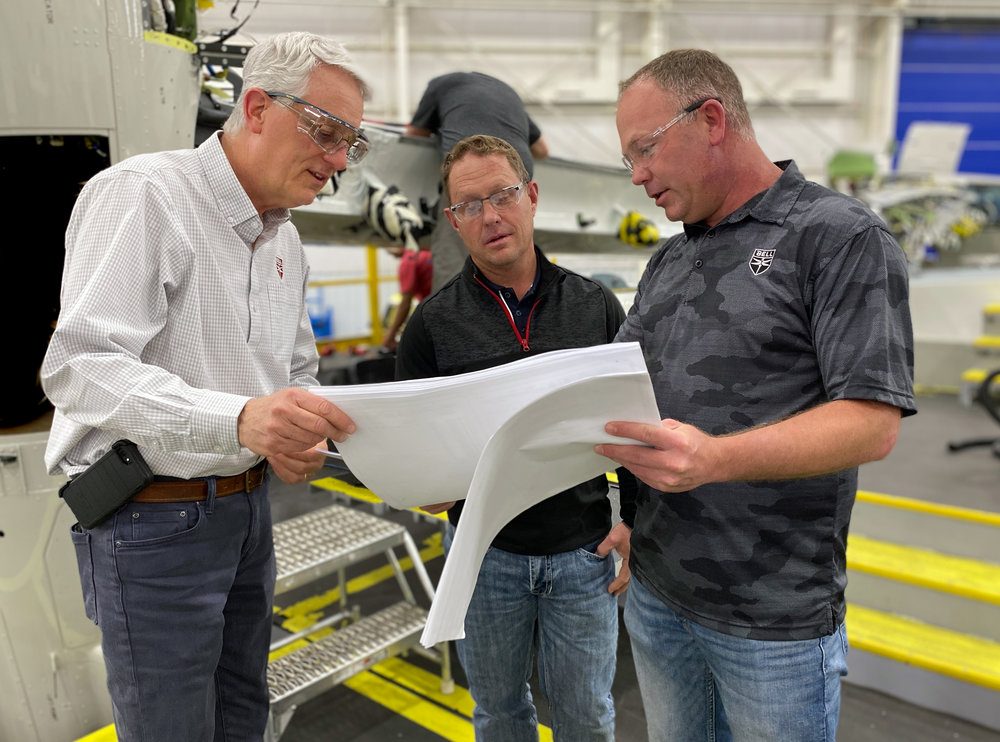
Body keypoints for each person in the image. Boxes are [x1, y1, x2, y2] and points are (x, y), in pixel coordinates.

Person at [40, 32, 366, 742]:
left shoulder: (285, 240)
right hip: (152, 526)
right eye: (328, 133)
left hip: (247, 515)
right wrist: (242, 419)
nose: (340, 161)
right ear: (256, 107)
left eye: (352, 143)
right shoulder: (145, 196)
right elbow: (79, 366)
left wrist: (308, 436)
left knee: (246, 715)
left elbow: (295, 374)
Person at [594, 49, 917, 741]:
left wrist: (714, 459)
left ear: (711, 119)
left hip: (772, 622)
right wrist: (633, 517)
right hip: (656, 594)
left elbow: (872, 421)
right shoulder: (671, 258)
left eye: (645, 149)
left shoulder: (835, 236)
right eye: (629, 160)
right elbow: (629, 391)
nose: (639, 176)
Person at [396, 134, 631, 742]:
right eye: (469, 206)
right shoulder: (432, 327)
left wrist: (634, 520)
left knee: (586, 718)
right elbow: (411, 438)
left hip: (583, 554)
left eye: (501, 196)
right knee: (499, 716)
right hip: (483, 559)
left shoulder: (594, 306)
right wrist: (418, 483)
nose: (490, 217)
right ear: (453, 221)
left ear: (530, 196)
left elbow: (634, 421)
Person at [405, 72, 550, 293]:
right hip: (516, 178)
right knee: (515, 252)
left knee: (452, 257)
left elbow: (413, 138)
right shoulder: (508, 94)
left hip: (469, 179)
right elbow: (542, 150)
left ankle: (451, 316)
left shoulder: (440, 85)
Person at [382, 246, 433, 351]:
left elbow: (406, 302)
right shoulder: (427, 252)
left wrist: (390, 335)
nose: (392, 255)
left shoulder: (408, 262)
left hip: (435, 313)